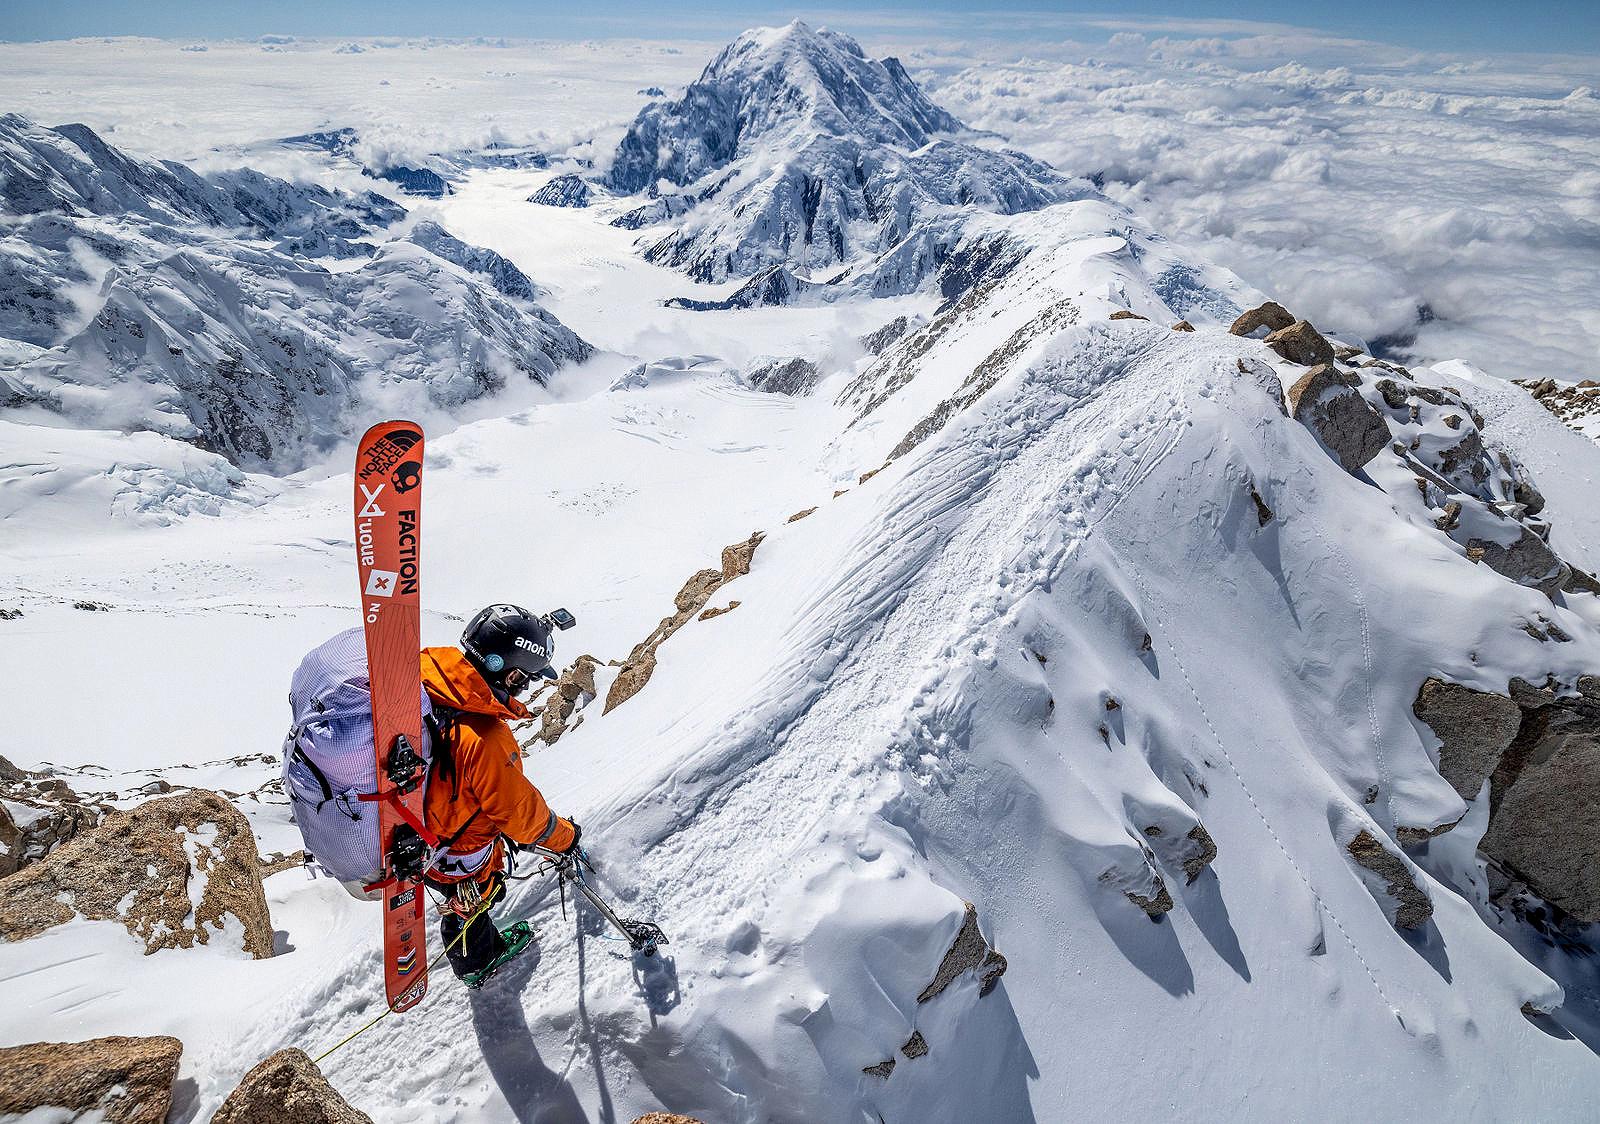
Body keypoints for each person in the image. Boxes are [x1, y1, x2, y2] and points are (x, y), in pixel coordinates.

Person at [420, 604, 581, 989]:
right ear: (508, 673)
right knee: (477, 897)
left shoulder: (430, 679)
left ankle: (475, 948)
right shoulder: (486, 737)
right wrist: (566, 836)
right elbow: (522, 817)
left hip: (417, 827)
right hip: (454, 849)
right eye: (523, 679)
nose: (523, 687)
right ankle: (478, 961)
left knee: (465, 896)